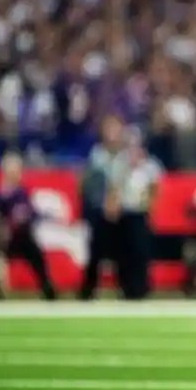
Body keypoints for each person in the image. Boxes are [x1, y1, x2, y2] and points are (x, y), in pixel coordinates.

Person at [0, 152, 56, 300]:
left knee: (34, 251)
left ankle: (47, 288)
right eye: (14, 171)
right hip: (2, 238)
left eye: (18, 171)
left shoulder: (22, 192)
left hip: (22, 236)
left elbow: (32, 213)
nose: (17, 175)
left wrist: (38, 216)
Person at [108, 132, 163, 300]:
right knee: (124, 253)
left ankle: (141, 288)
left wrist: (150, 205)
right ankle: (125, 288)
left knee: (141, 253)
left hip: (140, 213)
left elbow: (155, 186)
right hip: (124, 213)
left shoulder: (150, 165)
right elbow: (115, 186)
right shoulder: (120, 162)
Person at [80, 116, 126, 300]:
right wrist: (105, 202)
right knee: (96, 249)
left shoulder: (126, 155)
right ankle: (89, 290)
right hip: (98, 210)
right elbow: (90, 185)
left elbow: (127, 182)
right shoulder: (96, 155)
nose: (112, 134)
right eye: (109, 129)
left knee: (124, 247)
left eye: (115, 129)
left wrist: (117, 202)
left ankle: (126, 288)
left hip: (122, 211)